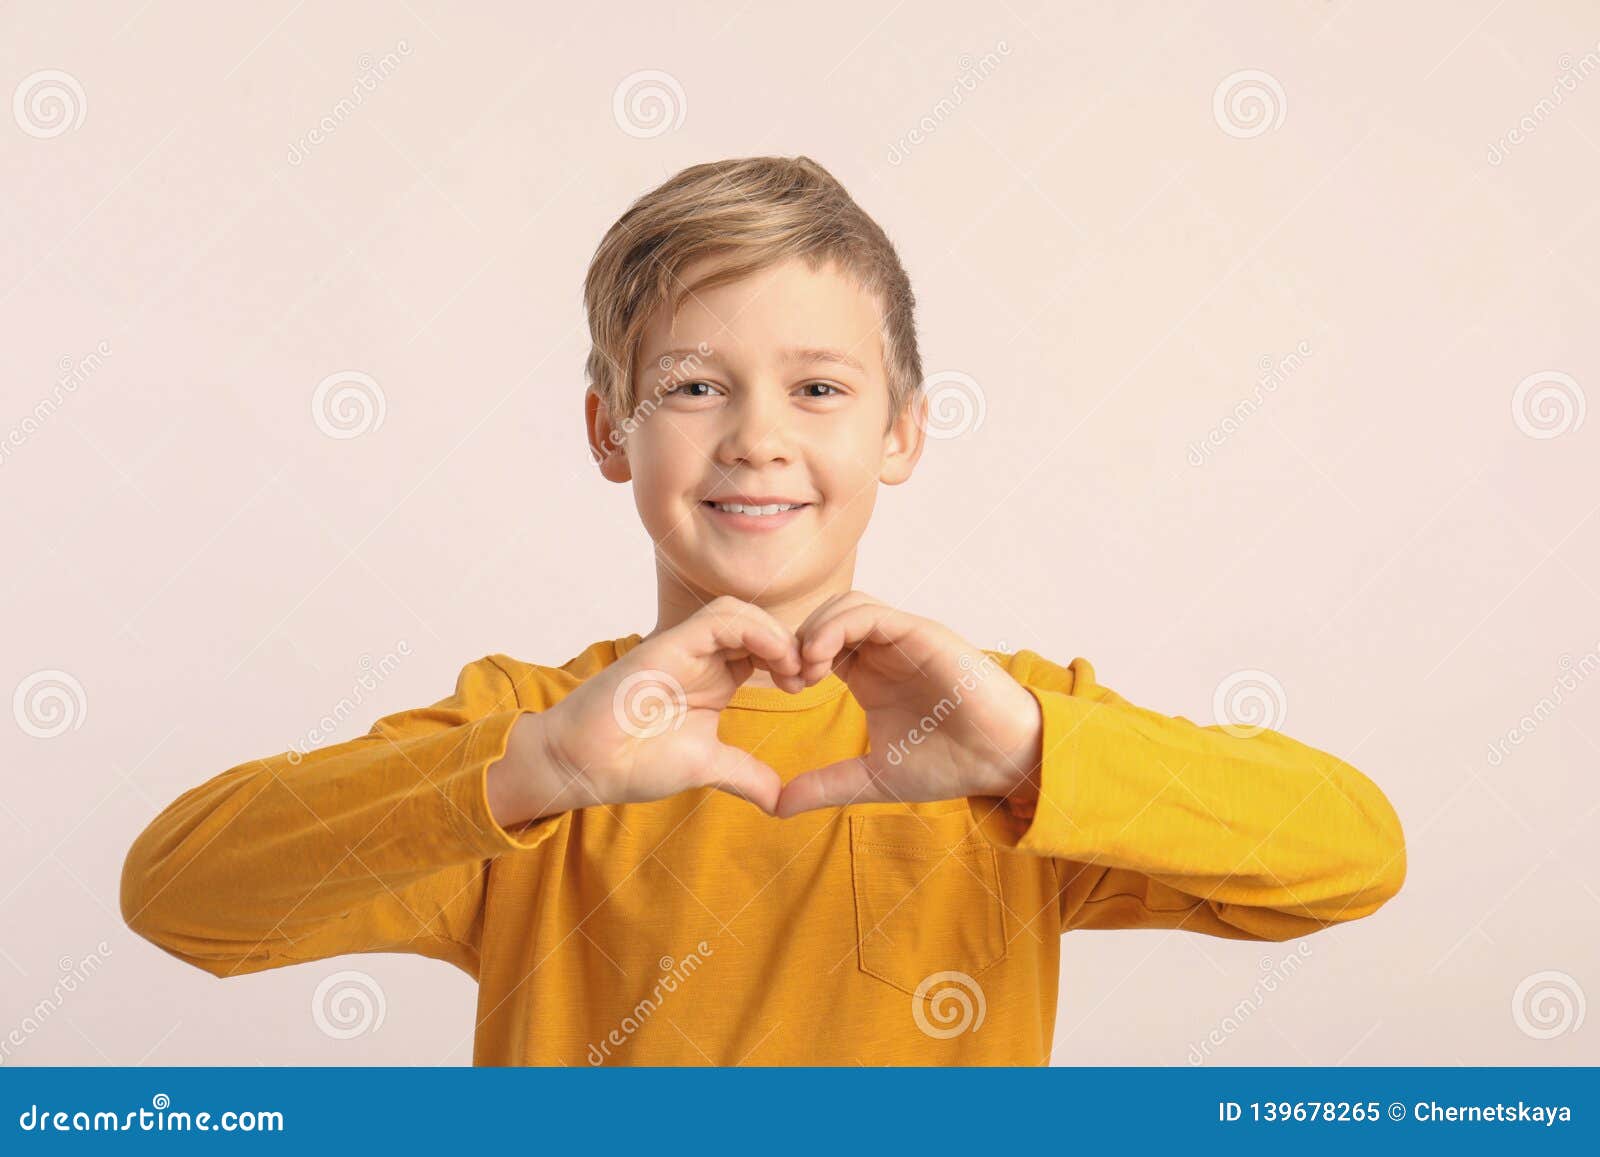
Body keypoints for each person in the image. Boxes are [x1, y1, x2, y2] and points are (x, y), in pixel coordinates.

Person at [120, 155, 1406, 1066]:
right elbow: (180, 891)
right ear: (609, 430)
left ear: (901, 433)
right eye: (692, 385)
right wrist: (534, 769)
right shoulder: (535, 733)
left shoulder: (1002, 724)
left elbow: (1351, 857)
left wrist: (1027, 752)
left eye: (818, 388)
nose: (755, 438)